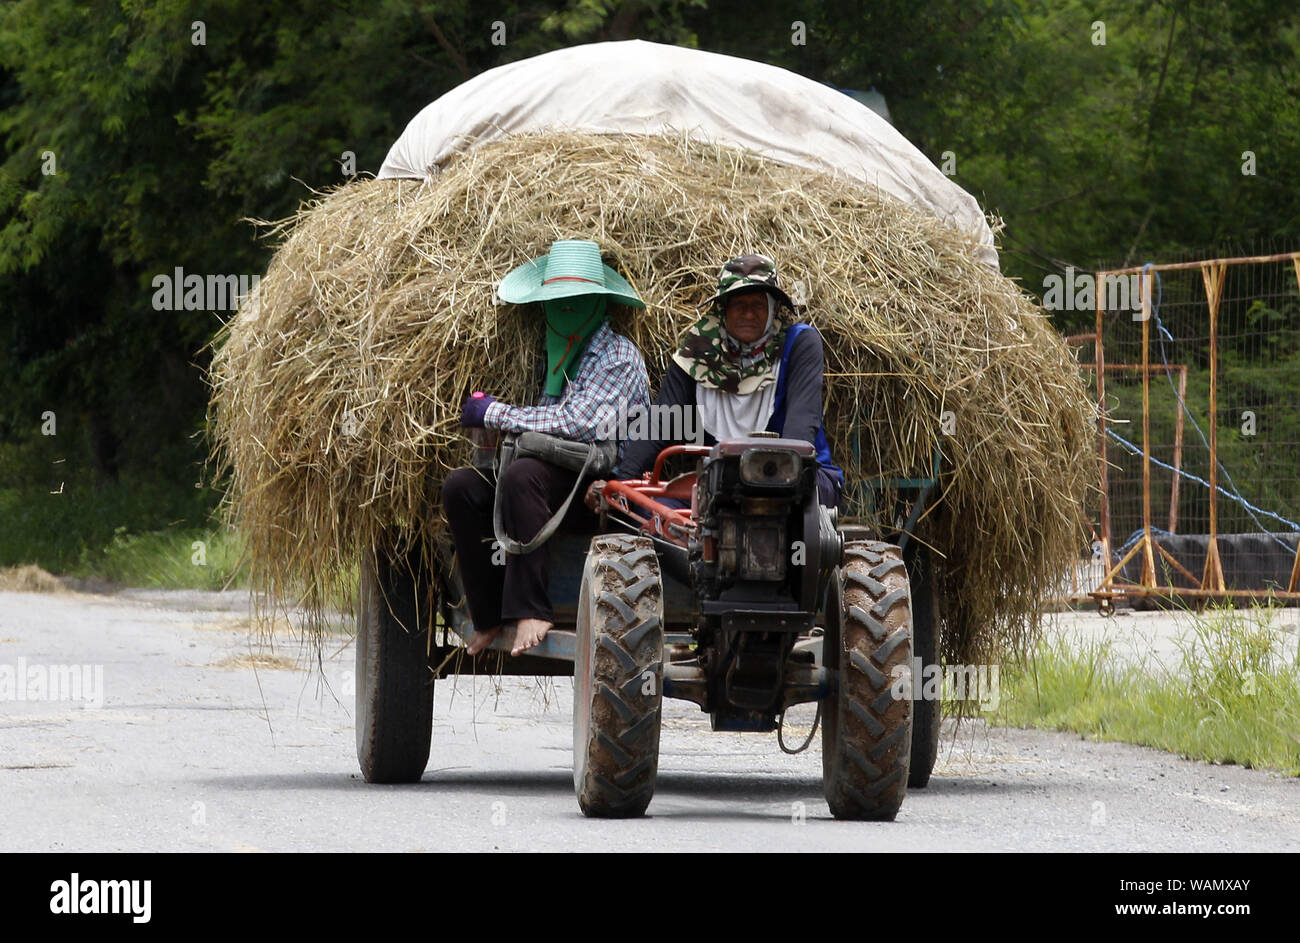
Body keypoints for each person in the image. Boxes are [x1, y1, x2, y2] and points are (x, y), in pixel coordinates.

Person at [442, 239, 649, 656]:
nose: (566, 308)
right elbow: (540, 426)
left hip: (597, 487)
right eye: (557, 300)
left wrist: (495, 413)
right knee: (461, 487)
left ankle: (532, 609)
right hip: (542, 480)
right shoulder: (550, 352)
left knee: (523, 476)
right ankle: (486, 616)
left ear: (598, 303)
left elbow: (579, 424)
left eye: (577, 300)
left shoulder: (618, 356)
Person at [588, 252, 843, 509]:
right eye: (739, 305)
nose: (748, 314)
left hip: (795, 477)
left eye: (758, 305)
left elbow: (802, 426)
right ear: (723, 309)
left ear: (772, 308)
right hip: (720, 485)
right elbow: (660, 423)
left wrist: (779, 481)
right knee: (651, 513)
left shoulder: (798, 344)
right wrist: (619, 484)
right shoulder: (697, 352)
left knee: (796, 510)